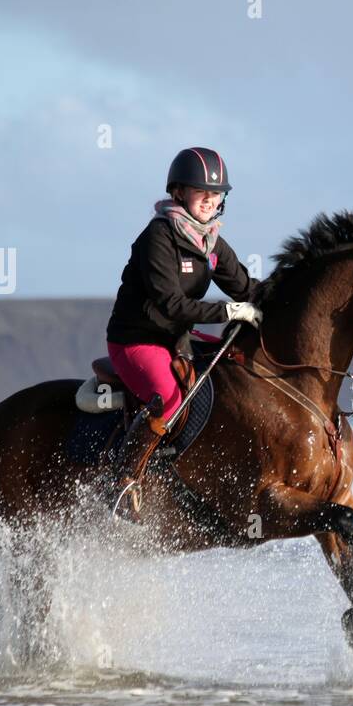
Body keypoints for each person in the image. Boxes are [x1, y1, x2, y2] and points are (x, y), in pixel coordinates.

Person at [103, 146, 265, 521]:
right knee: (171, 398)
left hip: (174, 338)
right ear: (179, 192)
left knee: (234, 368)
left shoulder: (210, 241)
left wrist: (293, 294)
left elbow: (246, 288)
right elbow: (171, 305)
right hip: (137, 339)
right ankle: (126, 479)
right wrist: (227, 311)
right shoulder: (157, 238)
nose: (210, 200)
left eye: (216, 194)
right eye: (201, 192)